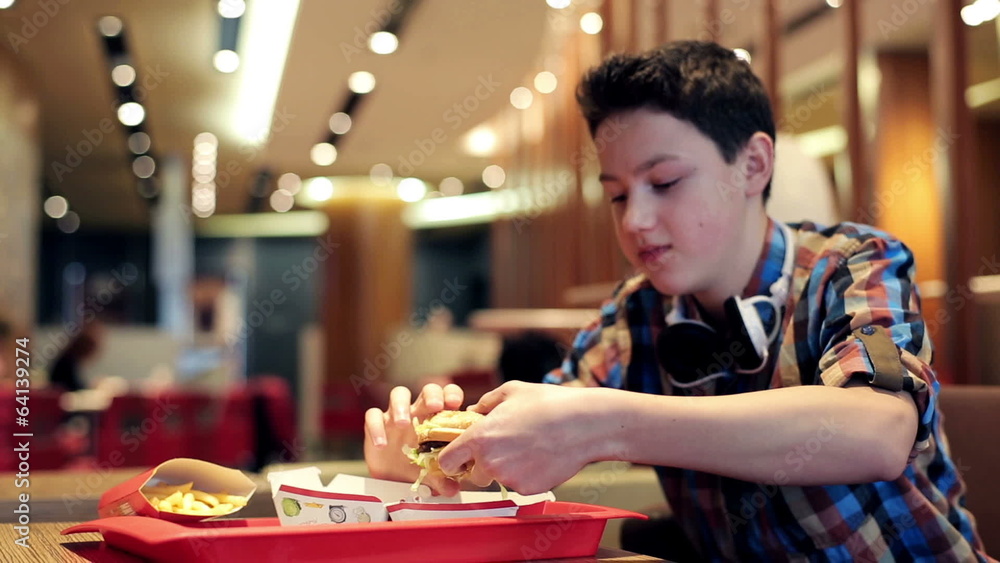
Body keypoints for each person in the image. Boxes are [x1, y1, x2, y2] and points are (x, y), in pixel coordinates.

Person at [364, 41, 987, 561]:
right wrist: (429, 462)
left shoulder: (852, 265)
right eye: (617, 195)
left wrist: (603, 424)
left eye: (664, 182)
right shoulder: (636, 316)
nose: (634, 220)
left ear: (753, 164)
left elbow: (877, 430)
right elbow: (523, 447)